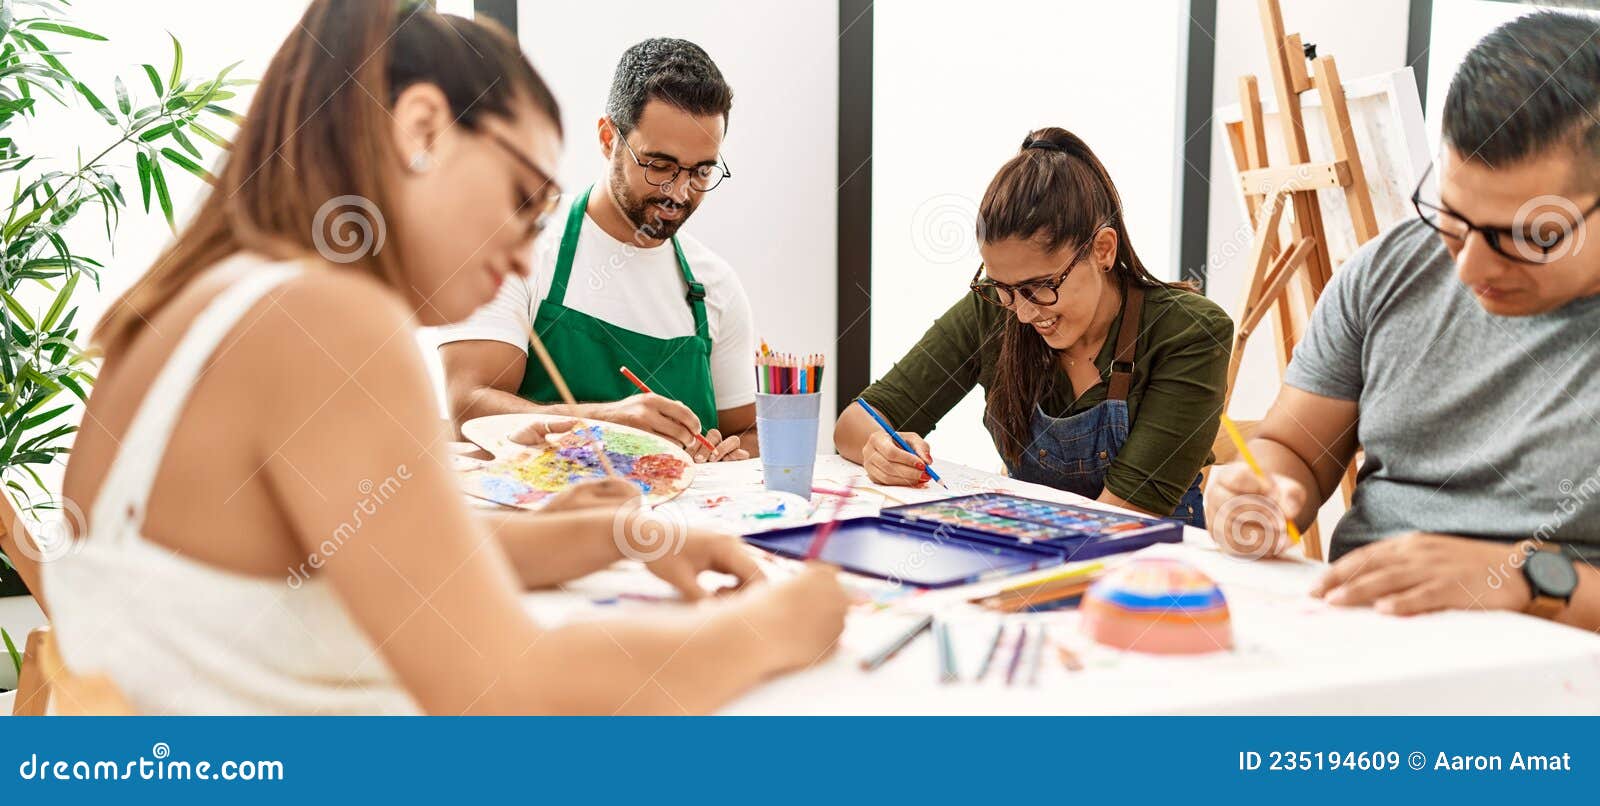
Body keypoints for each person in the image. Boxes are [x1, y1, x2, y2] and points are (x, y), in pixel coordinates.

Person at [44, 1, 846, 715]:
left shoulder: (208, 301)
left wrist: (616, 536)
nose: (529, 239)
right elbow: (511, 688)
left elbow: (365, 566)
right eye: (524, 196)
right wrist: (773, 628)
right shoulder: (327, 320)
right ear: (424, 129)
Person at [1206, 11, 1600, 631]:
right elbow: (1294, 450)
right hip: (1358, 635)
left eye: (1526, 235)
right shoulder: (1388, 269)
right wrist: (1259, 489)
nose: (1470, 266)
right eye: (1451, 216)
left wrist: (1523, 579)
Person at [835, 128, 1233, 525]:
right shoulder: (993, 313)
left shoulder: (1188, 333)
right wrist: (880, 447)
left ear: (1103, 250)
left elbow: (1121, 517)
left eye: (1041, 286)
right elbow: (854, 423)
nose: (1022, 313)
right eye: (1004, 288)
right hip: (1032, 555)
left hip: (1147, 575)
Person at [439, 38, 756, 462]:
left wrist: (732, 456)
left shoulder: (714, 285)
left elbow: (747, 434)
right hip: (541, 520)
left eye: (701, 171)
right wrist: (605, 424)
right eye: (659, 165)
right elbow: (470, 407)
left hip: (681, 525)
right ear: (608, 138)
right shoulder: (519, 251)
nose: (679, 192)